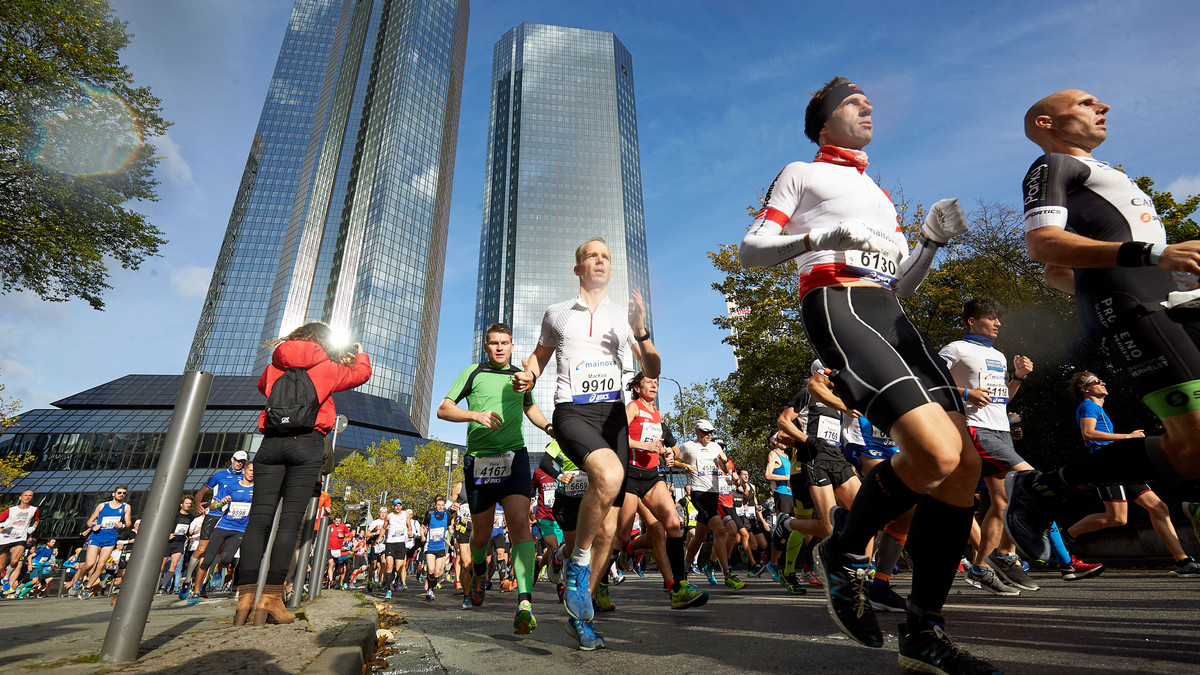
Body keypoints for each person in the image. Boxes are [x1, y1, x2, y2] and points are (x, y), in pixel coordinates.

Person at [740, 76, 997, 672]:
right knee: (933, 453)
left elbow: (898, 284)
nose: (868, 108)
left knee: (965, 467)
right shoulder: (802, 172)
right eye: (854, 102)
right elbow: (752, 250)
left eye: (869, 103)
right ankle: (844, 550)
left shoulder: (879, 195)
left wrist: (929, 242)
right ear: (824, 120)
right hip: (839, 307)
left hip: (892, 315)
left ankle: (924, 631)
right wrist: (818, 235)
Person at [1003, 89, 1200, 566]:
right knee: (1192, 444)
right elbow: (1044, 246)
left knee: (1193, 453)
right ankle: (1041, 487)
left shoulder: (1111, 174)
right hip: (1136, 310)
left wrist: (1169, 277)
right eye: (1087, 102)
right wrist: (1148, 262)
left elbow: (1057, 275)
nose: (1104, 106)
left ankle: (1043, 486)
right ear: (1047, 123)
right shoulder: (1053, 166)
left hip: (1164, 302)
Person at [512, 237, 659, 650]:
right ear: (578, 268)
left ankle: (580, 614)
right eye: (591, 255)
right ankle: (574, 563)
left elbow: (653, 366)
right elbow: (539, 357)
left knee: (610, 529)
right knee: (609, 474)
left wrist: (641, 330)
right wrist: (529, 376)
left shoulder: (621, 315)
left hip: (612, 414)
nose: (599, 260)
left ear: (609, 269)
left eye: (605, 256)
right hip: (572, 411)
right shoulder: (557, 313)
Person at [237, 322, 371, 627]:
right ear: (323, 341)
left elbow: (263, 388)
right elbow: (361, 374)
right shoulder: (328, 365)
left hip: (270, 445)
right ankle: (270, 599)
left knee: (257, 522)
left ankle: (244, 599)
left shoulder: (274, 366)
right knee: (289, 523)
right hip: (306, 443)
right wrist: (359, 355)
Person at [438, 322, 553, 635]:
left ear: (513, 346)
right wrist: (476, 415)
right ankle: (478, 570)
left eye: (505, 342)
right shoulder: (473, 373)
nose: (500, 347)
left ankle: (525, 602)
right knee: (481, 534)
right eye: (494, 343)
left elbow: (530, 408)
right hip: (480, 462)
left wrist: (550, 428)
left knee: (519, 526)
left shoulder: (520, 376)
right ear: (486, 347)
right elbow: (443, 409)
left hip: (513, 458)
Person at [938, 297, 1042, 594]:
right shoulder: (955, 349)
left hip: (1000, 430)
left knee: (1003, 502)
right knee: (1031, 483)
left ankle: (982, 567)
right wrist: (964, 392)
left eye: (999, 318)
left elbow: (1001, 399)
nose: (998, 323)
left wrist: (1019, 378)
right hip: (975, 429)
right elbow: (928, 382)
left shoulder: (998, 354)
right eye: (991, 318)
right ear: (972, 321)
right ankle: (1004, 554)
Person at [1058, 373, 1199, 576]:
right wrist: (1128, 437)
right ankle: (1065, 535)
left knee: (1159, 508)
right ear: (1085, 390)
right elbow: (1088, 434)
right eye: (1097, 382)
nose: (1103, 382)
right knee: (1117, 518)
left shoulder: (1098, 408)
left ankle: (1183, 562)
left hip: (1121, 464)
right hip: (1106, 466)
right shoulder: (1089, 406)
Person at [617, 372, 708, 609]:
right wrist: (644, 445)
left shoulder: (657, 416)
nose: (654, 385)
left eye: (656, 383)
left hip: (651, 477)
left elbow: (674, 449)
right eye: (649, 382)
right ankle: (600, 586)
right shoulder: (633, 407)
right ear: (637, 388)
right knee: (623, 535)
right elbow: (616, 435)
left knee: (673, 524)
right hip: (629, 475)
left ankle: (679, 587)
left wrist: (669, 454)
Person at [679, 420, 745, 590]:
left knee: (700, 536)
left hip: (714, 493)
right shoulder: (688, 446)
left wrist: (724, 462)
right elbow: (674, 461)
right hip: (699, 493)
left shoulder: (716, 447)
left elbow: (724, 468)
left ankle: (682, 572)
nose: (708, 435)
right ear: (697, 432)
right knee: (720, 530)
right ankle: (728, 574)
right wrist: (684, 465)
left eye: (710, 432)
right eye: (705, 432)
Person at [190, 462, 254, 610]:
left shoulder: (256, 490)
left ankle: (218, 569)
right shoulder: (231, 486)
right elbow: (212, 506)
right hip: (223, 526)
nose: (252, 473)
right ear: (244, 471)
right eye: (250, 470)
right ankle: (196, 591)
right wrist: (221, 503)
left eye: (254, 472)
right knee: (207, 560)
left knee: (227, 559)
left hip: (240, 530)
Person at [187, 450, 248, 589]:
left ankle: (205, 582)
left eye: (242, 461)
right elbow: (201, 492)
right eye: (238, 460)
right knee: (201, 549)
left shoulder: (246, 477)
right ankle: (188, 579)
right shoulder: (220, 475)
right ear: (232, 459)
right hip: (214, 514)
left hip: (229, 518)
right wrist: (197, 504)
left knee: (218, 553)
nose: (239, 463)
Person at [72, 486, 132, 599]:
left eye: (124, 493)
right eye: (119, 492)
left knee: (101, 565)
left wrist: (123, 525)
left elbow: (128, 523)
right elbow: (90, 521)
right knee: (90, 563)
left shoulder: (126, 507)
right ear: (113, 494)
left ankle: (88, 588)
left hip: (110, 539)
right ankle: (80, 578)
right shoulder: (102, 505)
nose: (122, 495)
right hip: (97, 537)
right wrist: (94, 526)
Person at [0, 490, 38, 593]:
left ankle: (6, 578)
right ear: (20, 497)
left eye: (30, 496)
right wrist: (1, 528)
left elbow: (37, 520)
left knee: (15, 561)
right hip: (5, 538)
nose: (28, 497)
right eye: (25, 495)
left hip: (20, 538)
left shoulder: (34, 510)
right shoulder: (11, 510)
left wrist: (32, 528)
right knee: (1, 566)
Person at [160, 495, 195, 594]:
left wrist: (189, 536)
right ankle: (154, 585)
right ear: (181, 504)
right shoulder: (174, 515)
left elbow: (189, 530)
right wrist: (167, 535)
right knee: (161, 566)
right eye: (186, 503)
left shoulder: (191, 517)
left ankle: (163, 588)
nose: (188, 505)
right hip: (169, 542)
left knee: (174, 565)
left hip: (180, 542)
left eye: (189, 504)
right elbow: (164, 526)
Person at [381, 499, 413, 598]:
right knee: (389, 565)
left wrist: (410, 531)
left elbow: (409, 526)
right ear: (393, 507)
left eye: (399, 505)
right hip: (390, 543)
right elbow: (383, 527)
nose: (398, 507)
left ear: (401, 506)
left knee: (399, 568)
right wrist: (379, 538)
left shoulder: (406, 514)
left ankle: (392, 576)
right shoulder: (389, 516)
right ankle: (389, 589)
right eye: (396, 506)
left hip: (400, 543)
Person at [423, 496, 450, 600]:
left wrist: (450, 529)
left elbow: (450, 525)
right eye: (438, 505)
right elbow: (423, 525)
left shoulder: (447, 515)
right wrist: (422, 534)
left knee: (437, 572)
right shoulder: (430, 515)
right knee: (431, 569)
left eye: (442, 505)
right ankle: (430, 589)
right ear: (435, 505)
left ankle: (431, 589)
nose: (440, 507)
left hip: (441, 547)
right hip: (430, 546)